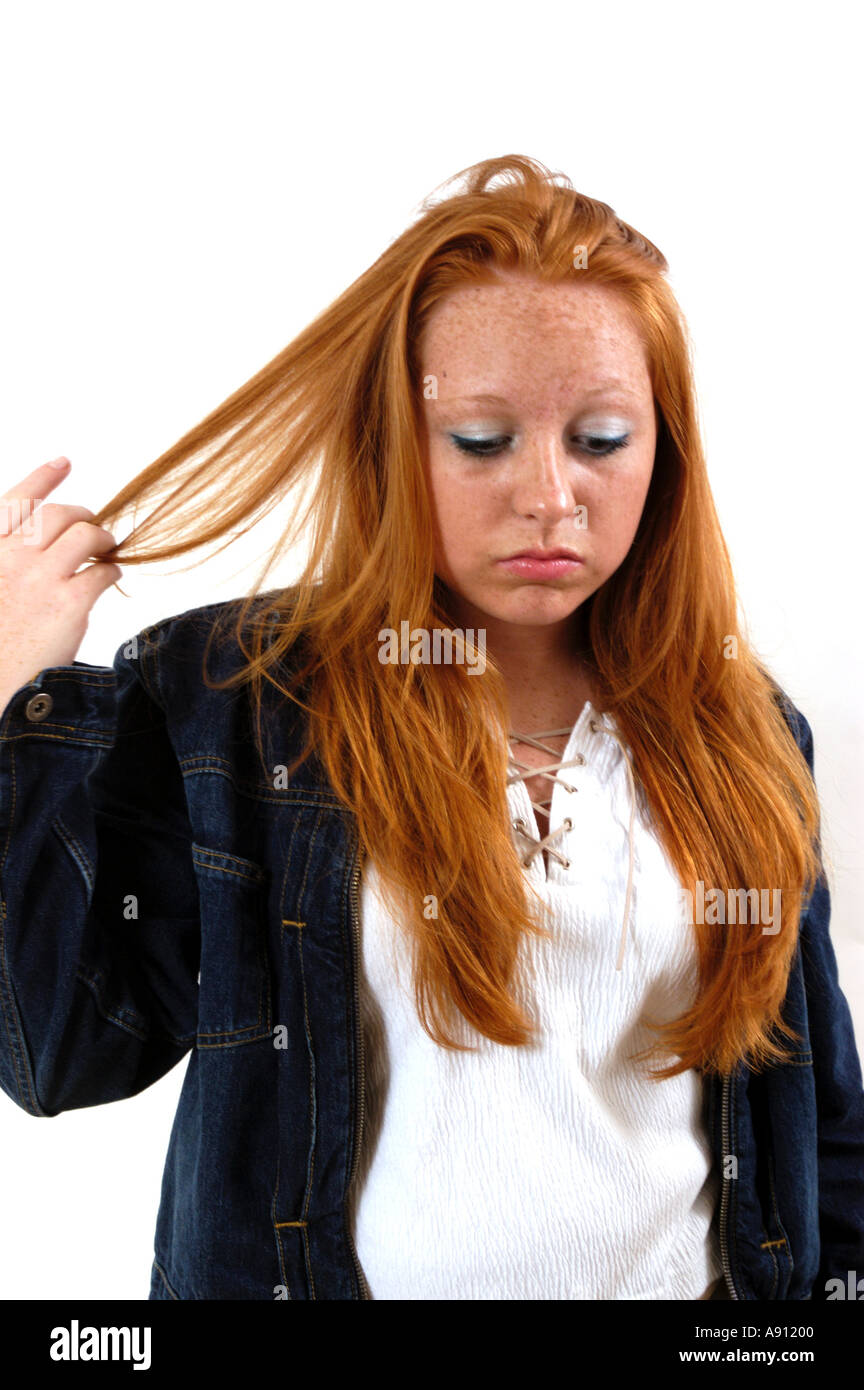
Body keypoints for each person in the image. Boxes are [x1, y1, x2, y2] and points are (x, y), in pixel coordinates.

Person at [0, 155, 861, 1301]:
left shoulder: (744, 730)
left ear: (665, 452)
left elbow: (821, 1121)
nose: (551, 494)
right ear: (394, 444)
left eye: (602, 438)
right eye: (482, 440)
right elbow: (55, 1051)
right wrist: (20, 704)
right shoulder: (243, 707)